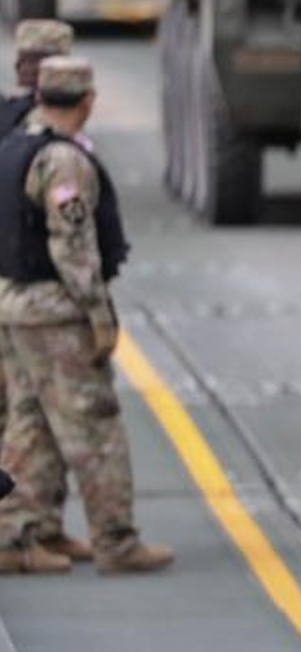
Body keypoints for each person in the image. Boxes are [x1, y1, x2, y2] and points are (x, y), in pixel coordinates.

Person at [0, 57, 170, 574]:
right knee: (93, 424)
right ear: (88, 101)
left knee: (29, 421)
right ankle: (116, 540)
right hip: (55, 312)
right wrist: (99, 314)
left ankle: (22, 533)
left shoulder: (13, 146)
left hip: (12, 306)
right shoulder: (64, 161)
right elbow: (73, 246)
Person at [0, 17, 83, 568]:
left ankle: (41, 525)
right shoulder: (33, 134)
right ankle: (17, 535)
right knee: (33, 415)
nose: (36, 72)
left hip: (17, 288)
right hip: (27, 290)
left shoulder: (30, 127)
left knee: (35, 417)